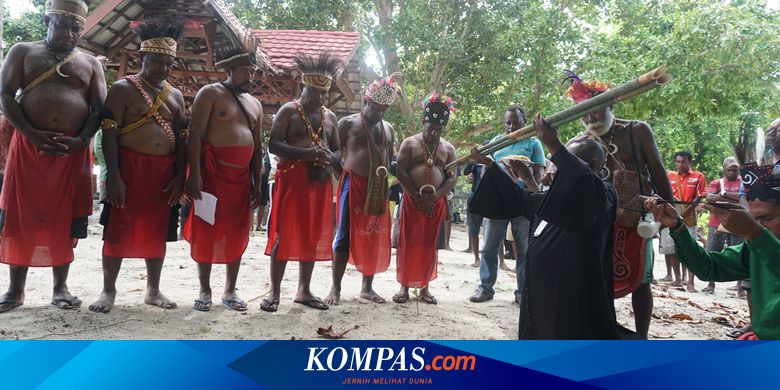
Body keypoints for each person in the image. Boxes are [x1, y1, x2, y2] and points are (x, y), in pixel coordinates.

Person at [470, 113, 626, 339]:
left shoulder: (602, 193)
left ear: (592, 165)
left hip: (571, 296)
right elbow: (527, 202)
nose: (559, 168)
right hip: (540, 293)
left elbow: (582, 180)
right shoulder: (558, 194)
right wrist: (492, 165)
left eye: (566, 161)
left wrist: (554, 145)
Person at [0, 0, 106, 313]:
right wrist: (31, 133)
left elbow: (99, 108)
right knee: (20, 214)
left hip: (72, 152)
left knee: (65, 217)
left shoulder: (91, 63)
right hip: (28, 147)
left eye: (76, 28)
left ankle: (61, 288)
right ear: (48, 19)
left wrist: (82, 140)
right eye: (62, 26)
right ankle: (15, 290)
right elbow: (5, 94)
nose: (69, 34)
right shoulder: (23, 51)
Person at [563, 73, 673, 339]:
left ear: (610, 105)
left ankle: (642, 337)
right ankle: (605, 329)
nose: (590, 118)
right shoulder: (579, 143)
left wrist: (670, 211)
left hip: (635, 217)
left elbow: (658, 171)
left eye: (594, 111)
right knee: (598, 278)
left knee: (641, 280)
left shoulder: (637, 131)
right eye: (584, 114)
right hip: (598, 219)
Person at [89, 19, 187, 313]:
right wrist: (114, 176)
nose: (163, 69)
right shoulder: (123, 89)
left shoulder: (175, 95)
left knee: (158, 230)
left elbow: (182, 139)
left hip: (163, 172)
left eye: (168, 64)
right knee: (117, 228)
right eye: (157, 62)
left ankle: (153, 290)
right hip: (128, 168)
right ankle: (108, 290)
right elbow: (109, 133)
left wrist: (180, 177)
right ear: (142, 57)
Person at [644, 162, 780, 340]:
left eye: (767, 218)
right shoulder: (754, 248)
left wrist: (754, 232)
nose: (760, 226)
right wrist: (677, 226)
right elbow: (708, 267)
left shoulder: (759, 240)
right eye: (754, 219)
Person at [183, 46, 264, 312]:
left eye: (252, 71)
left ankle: (230, 290)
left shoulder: (255, 104)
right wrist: (195, 175)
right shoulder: (210, 94)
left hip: (241, 179)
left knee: (237, 230)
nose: (249, 76)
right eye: (243, 71)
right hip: (212, 174)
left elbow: (257, 147)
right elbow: (195, 134)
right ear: (228, 70)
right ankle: (204, 289)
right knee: (207, 228)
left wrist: (258, 183)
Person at [262, 52, 342, 312]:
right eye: (315, 91)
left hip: (319, 183)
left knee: (312, 235)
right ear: (304, 86)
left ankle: (303, 290)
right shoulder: (289, 111)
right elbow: (274, 145)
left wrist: (330, 156)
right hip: (292, 181)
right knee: (283, 233)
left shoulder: (330, 117)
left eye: (324, 93)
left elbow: (338, 150)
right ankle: (274, 292)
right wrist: (305, 154)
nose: (320, 97)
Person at [324, 75, 399, 305]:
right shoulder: (348, 123)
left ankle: (367, 288)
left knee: (373, 235)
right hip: (353, 184)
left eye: (384, 109)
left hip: (378, 186)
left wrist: (386, 184)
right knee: (344, 235)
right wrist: (342, 176)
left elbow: (390, 159)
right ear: (367, 101)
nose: (379, 112)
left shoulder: (388, 128)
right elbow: (333, 153)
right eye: (376, 107)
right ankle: (335, 289)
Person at [470, 106, 545, 304]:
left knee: (524, 250)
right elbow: (487, 170)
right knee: (489, 247)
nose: (511, 126)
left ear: (524, 122)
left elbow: (539, 172)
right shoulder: (497, 142)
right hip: (498, 201)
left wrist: (533, 191)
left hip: (522, 201)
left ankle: (522, 293)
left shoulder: (534, 143)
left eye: (515, 122)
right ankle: (485, 288)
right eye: (508, 122)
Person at [393, 93, 457, 305]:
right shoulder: (409, 144)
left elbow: (451, 178)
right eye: (430, 129)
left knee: (429, 245)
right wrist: (417, 197)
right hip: (413, 201)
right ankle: (404, 287)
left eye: (438, 130)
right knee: (408, 243)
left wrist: (435, 196)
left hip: (435, 203)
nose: (434, 133)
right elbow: (401, 172)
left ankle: (424, 288)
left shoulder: (448, 148)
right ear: (423, 122)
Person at [660, 151, 707, 292]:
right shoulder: (669, 176)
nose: (681, 164)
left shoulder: (698, 176)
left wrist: (686, 211)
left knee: (690, 248)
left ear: (690, 162)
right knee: (673, 248)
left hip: (689, 216)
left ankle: (691, 282)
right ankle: (678, 279)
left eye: (684, 161)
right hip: (672, 214)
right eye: (678, 161)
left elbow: (699, 196)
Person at [701, 157, 743, 294]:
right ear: (724, 169)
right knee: (712, 252)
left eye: (735, 170)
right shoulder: (717, 182)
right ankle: (711, 284)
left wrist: (723, 195)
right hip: (716, 223)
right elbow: (710, 198)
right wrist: (735, 197)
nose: (732, 172)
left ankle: (740, 287)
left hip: (737, 222)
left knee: (739, 254)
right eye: (729, 170)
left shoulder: (744, 182)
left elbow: (745, 198)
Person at [462, 160, 484, 267]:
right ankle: (477, 258)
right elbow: (466, 172)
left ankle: (501, 261)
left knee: (493, 230)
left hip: (491, 199)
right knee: (474, 229)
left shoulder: (495, 161)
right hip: (475, 198)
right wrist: (472, 160)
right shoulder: (476, 164)